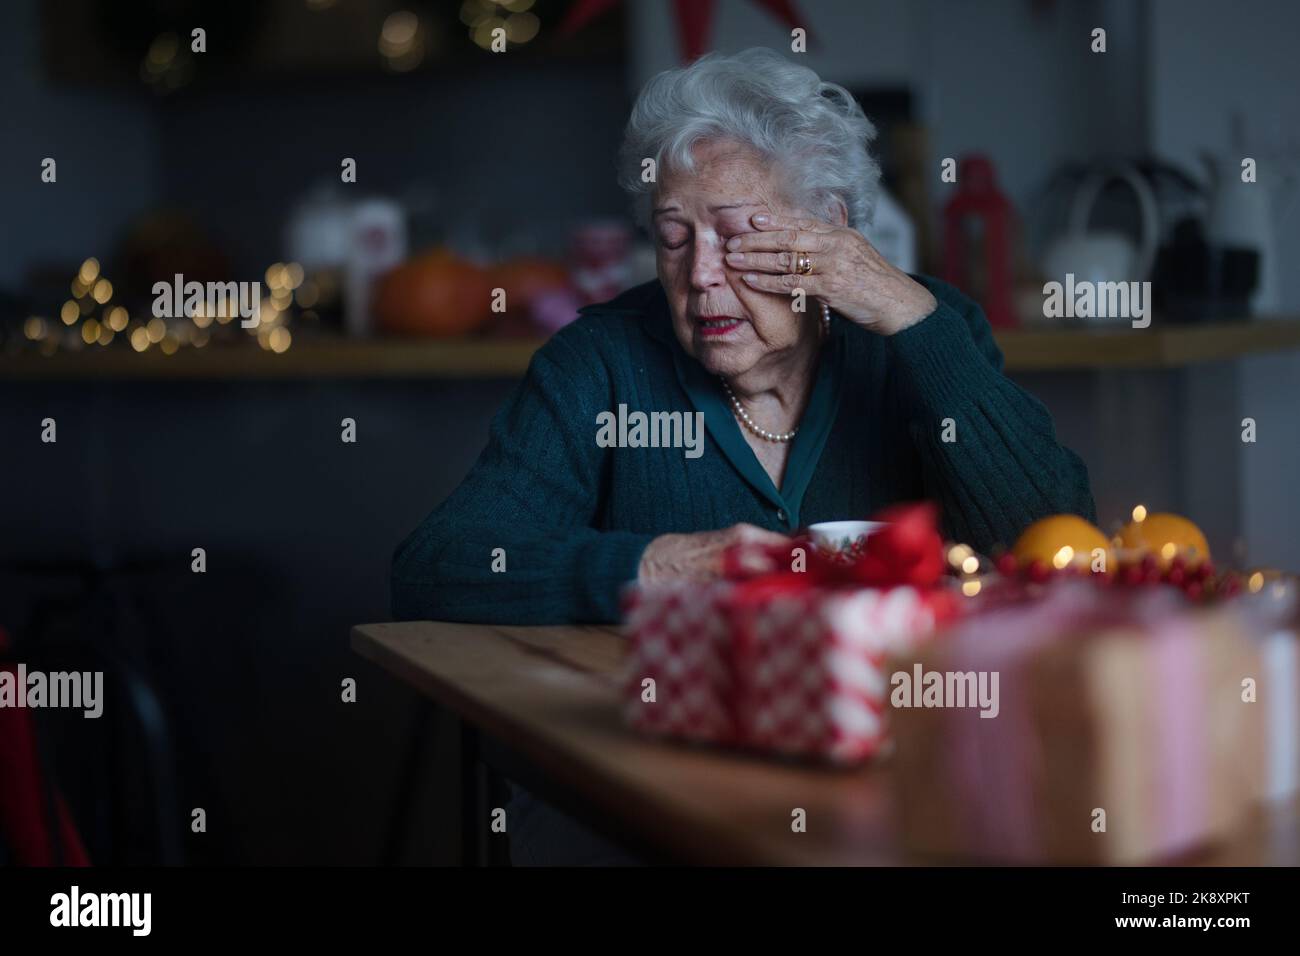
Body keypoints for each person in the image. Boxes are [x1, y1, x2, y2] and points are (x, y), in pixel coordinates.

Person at [392, 47, 1095, 865]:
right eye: (673, 238)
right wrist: (656, 569)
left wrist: (912, 316)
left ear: (827, 234)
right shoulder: (600, 363)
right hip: (644, 790)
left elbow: (1058, 547)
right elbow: (434, 568)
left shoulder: (923, 338)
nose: (701, 277)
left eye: (737, 236)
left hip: (900, 782)